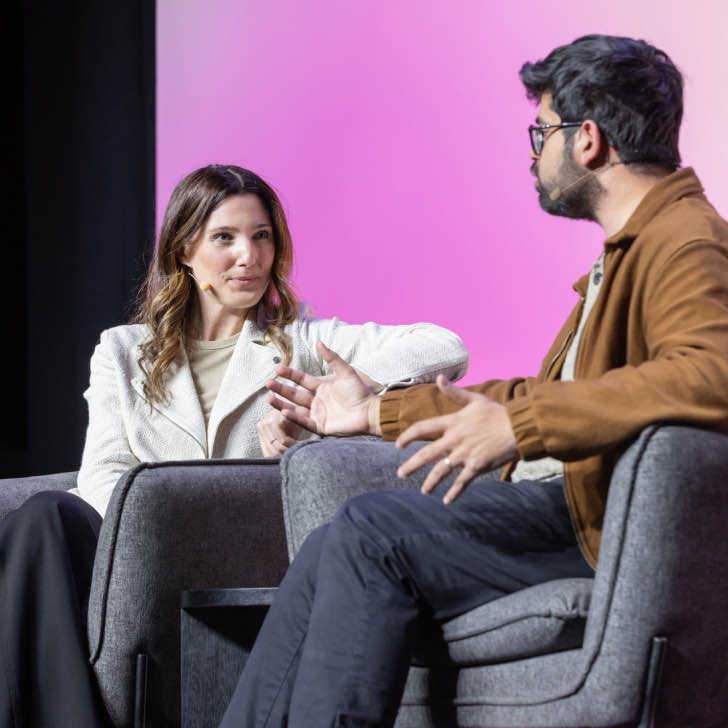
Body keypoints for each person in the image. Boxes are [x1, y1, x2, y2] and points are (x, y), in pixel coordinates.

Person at [219, 35, 728, 727]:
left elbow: (713, 373)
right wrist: (376, 412)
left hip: (593, 522)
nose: (533, 154)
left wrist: (520, 427)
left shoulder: (684, 241)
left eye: (541, 132)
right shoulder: (631, 248)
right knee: (330, 544)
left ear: (587, 140)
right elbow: (532, 395)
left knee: (372, 529)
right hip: (573, 506)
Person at [0, 164, 468, 728]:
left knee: (39, 525)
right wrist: (146, 530)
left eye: (262, 236)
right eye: (225, 237)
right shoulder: (123, 352)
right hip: (132, 550)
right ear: (184, 250)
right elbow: (103, 470)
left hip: (238, 545)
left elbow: (445, 348)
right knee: (45, 515)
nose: (249, 256)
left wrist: (335, 400)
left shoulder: (299, 341)